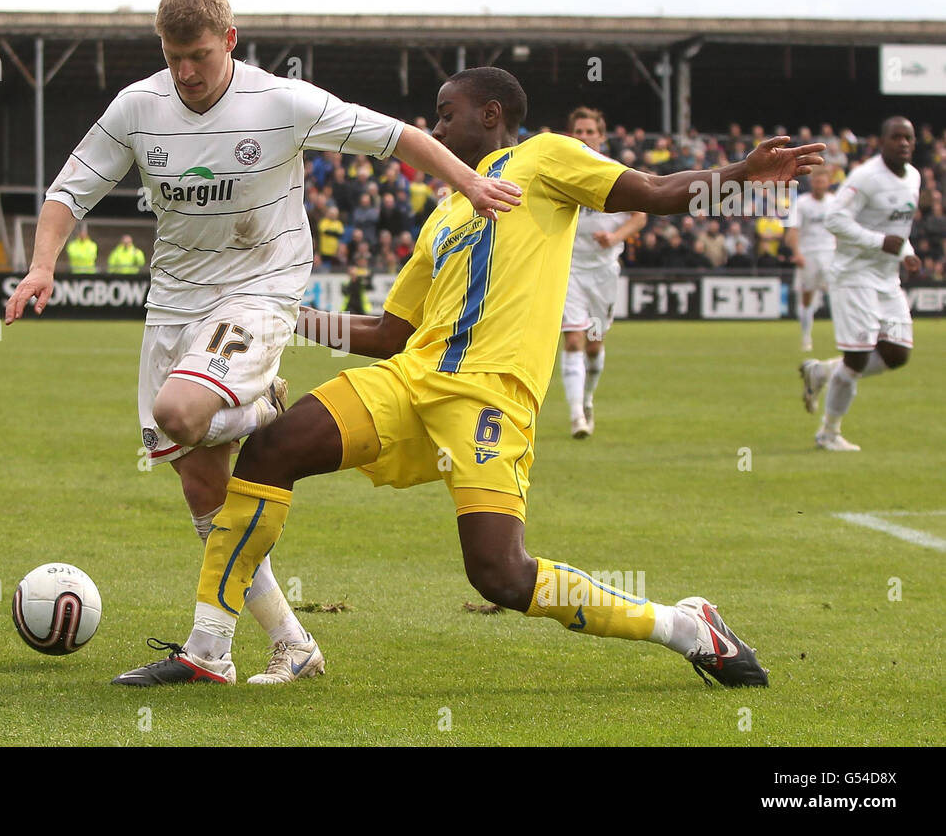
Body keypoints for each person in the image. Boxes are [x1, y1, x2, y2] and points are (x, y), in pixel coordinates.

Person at [112, 66, 822, 688]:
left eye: (446, 112)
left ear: (491, 114)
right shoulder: (444, 214)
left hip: (489, 397)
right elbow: (391, 334)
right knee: (270, 453)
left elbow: (658, 190)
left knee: (500, 577)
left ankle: (686, 626)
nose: (434, 123)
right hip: (409, 383)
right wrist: (292, 318)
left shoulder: (545, 158)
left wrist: (737, 179)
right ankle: (211, 649)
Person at [5, 0, 517, 685]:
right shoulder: (138, 107)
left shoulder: (281, 102)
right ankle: (275, 645)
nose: (186, 71)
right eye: (174, 55)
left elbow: (396, 136)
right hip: (174, 306)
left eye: (200, 56)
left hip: (260, 290)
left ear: (230, 42)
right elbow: (70, 189)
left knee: (179, 413)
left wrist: (467, 182)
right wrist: (41, 265)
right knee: (203, 486)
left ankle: (262, 403)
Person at [800, 117, 921, 451]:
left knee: (897, 354)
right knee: (857, 357)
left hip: (886, 276)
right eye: (896, 137)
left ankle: (823, 372)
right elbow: (834, 219)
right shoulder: (866, 177)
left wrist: (906, 252)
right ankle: (828, 433)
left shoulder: (914, 177)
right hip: (853, 274)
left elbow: (900, 228)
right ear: (881, 142)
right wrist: (879, 242)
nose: (903, 143)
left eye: (908, 138)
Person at [558, 108, 646, 439]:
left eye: (589, 131)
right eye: (577, 131)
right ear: (570, 136)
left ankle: (588, 399)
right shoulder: (560, 173)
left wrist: (614, 237)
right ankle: (576, 416)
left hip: (604, 272)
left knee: (594, 346)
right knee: (574, 339)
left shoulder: (616, 173)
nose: (583, 136)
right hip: (570, 271)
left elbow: (639, 216)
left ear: (600, 136)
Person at [785, 166, 837, 352]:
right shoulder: (802, 203)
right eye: (816, 181)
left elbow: (840, 229)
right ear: (811, 183)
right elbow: (793, 230)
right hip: (808, 255)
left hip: (831, 254)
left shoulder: (834, 202)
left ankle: (844, 336)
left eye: (822, 181)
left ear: (828, 183)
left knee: (839, 295)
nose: (819, 185)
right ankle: (806, 337)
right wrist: (797, 253)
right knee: (807, 298)